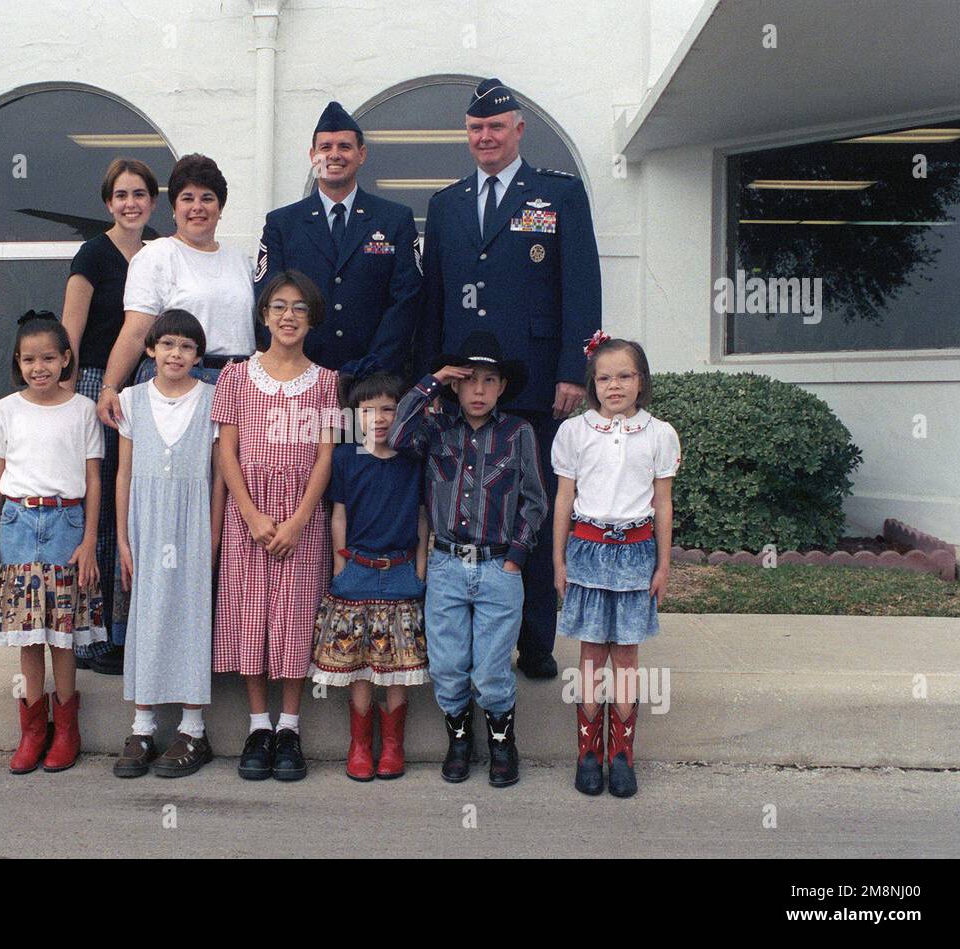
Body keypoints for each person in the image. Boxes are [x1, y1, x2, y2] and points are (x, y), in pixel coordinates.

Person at [417, 77, 602, 681]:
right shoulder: (445, 204)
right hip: (463, 382)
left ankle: (536, 639)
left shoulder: (557, 194)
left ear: (518, 130)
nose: (485, 137)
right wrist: (432, 373)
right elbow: (435, 295)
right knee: (463, 503)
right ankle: (463, 627)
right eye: (475, 129)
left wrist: (575, 370)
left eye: (495, 127)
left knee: (535, 504)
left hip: (533, 378)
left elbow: (580, 285)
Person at [390, 330, 548, 788]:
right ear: (455, 385)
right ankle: (459, 739)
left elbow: (535, 501)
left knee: (493, 668)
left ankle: (502, 742)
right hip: (445, 565)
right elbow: (398, 435)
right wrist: (431, 381)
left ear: (502, 387)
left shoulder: (518, 433)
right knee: (447, 663)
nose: (479, 390)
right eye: (469, 380)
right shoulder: (437, 429)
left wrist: (516, 557)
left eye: (489, 380)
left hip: (499, 566)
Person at [212, 270, 339, 782]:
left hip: (301, 517)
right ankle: (257, 725)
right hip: (252, 515)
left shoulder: (329, 381)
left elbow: (327, 455)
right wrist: (250, 512)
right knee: (249, 615)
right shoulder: (236, 377)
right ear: (264, 315)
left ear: (312, 319)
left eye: (300, 308)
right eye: (279, 306)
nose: (289, 316)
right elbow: (226, 450)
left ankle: (290, 727)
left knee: (293, 615)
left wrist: (301, 518)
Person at [552, 333, 679, 798]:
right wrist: (557, 559)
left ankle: (621, 755)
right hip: (587, 549)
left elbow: (662, 504)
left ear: (641, 380)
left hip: (636, 553)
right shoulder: (575, 432)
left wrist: (663, 566)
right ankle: (587, 753)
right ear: (593, 383)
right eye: (604, 377)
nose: (615, 386)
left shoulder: (659, 433)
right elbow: (564, 499)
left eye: (625, 376)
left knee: (625, 655)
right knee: (591, 655)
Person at [0, 310, 105, 774]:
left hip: (66, 525)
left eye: (49, 358)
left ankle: (66, 730)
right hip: (17, 524)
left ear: (66, 359)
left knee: (62, 634)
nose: (40, 368)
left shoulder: (81, 412)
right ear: (18, 362)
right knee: (28, 634)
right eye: (29, 359)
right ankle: (33, 730)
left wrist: (90, 539)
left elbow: (94, 481)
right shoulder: (5, 411)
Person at [112, 309, 225, 779]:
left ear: (198, 356)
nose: (176, 354)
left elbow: (219, 478)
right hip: (147, 521)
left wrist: (214, 538)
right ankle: (142, 726)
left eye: (186, 347)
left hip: (193, 521)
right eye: (168, 345)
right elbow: (122, 473)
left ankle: (193, 730)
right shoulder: (132, 400)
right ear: (151, 350)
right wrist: (122, 538)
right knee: (149, 614)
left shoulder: (215, 400)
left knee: (191, 616)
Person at [310, 354, 429, 781]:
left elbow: (421, 517)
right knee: (359, 663)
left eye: (388, 409)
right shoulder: (345, 458)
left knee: (397, 662)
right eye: (367, 410)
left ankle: (393, 744)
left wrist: (419, 571)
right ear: (353, 415)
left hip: (400, 570)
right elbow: (337, 515)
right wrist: (339, 568)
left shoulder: (413, 458)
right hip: (355, 570)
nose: (378, 418)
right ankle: (360, 743)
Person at [61, 158, 158, 676]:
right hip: (97, 383)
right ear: (108, 202)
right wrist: (73, 399)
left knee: (128, 508)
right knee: (96, 511)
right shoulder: (92, 256)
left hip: (143, 388)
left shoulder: (157, 252)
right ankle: (87, 634)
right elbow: (70, 337)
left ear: (152, 201)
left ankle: (122, 629)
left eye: (139, 194)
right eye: (121, 195)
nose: (130, 203)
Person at [255, 101, 421, 373]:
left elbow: (406, 300)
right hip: (299, 374)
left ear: (361, 154)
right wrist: (291, 366)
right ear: (313, 156)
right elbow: (266, 298)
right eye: (325, 147)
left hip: (373, 382)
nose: (335, 155)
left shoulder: (394, 220)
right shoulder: (282, 224)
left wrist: (375, 367)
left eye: (344, 147)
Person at [97, 153, 256, 433]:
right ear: (173, 207)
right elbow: (135, 332)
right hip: (179, 382)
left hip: (239, 385)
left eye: (207, 198)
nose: (197, 207)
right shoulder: (157, 255)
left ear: (220, 208)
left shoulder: (240, 260)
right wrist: (111, 386)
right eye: (187, 198)